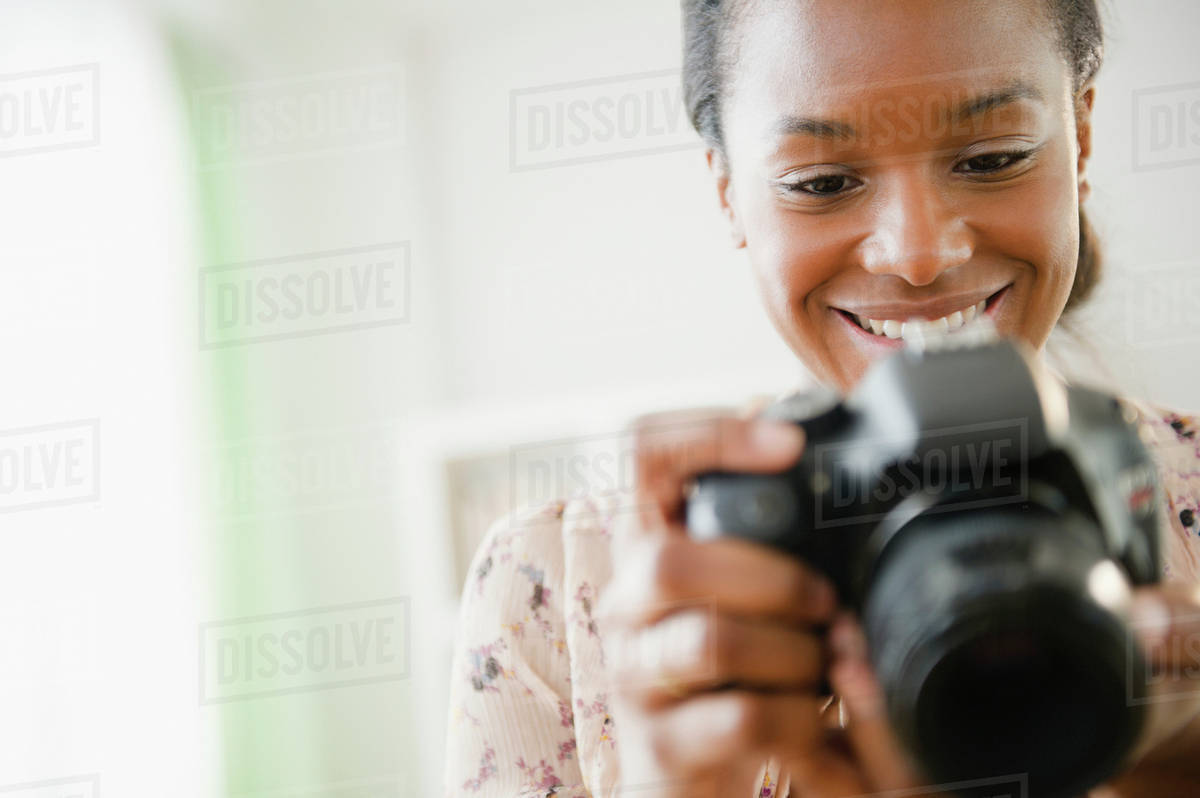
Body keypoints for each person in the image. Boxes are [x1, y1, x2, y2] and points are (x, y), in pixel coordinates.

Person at [442, 1, 1200, 795]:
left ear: (1079, 137)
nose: (916, 253)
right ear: (730, 191)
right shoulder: (557, 587)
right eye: (823, 182)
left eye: (991, 158)